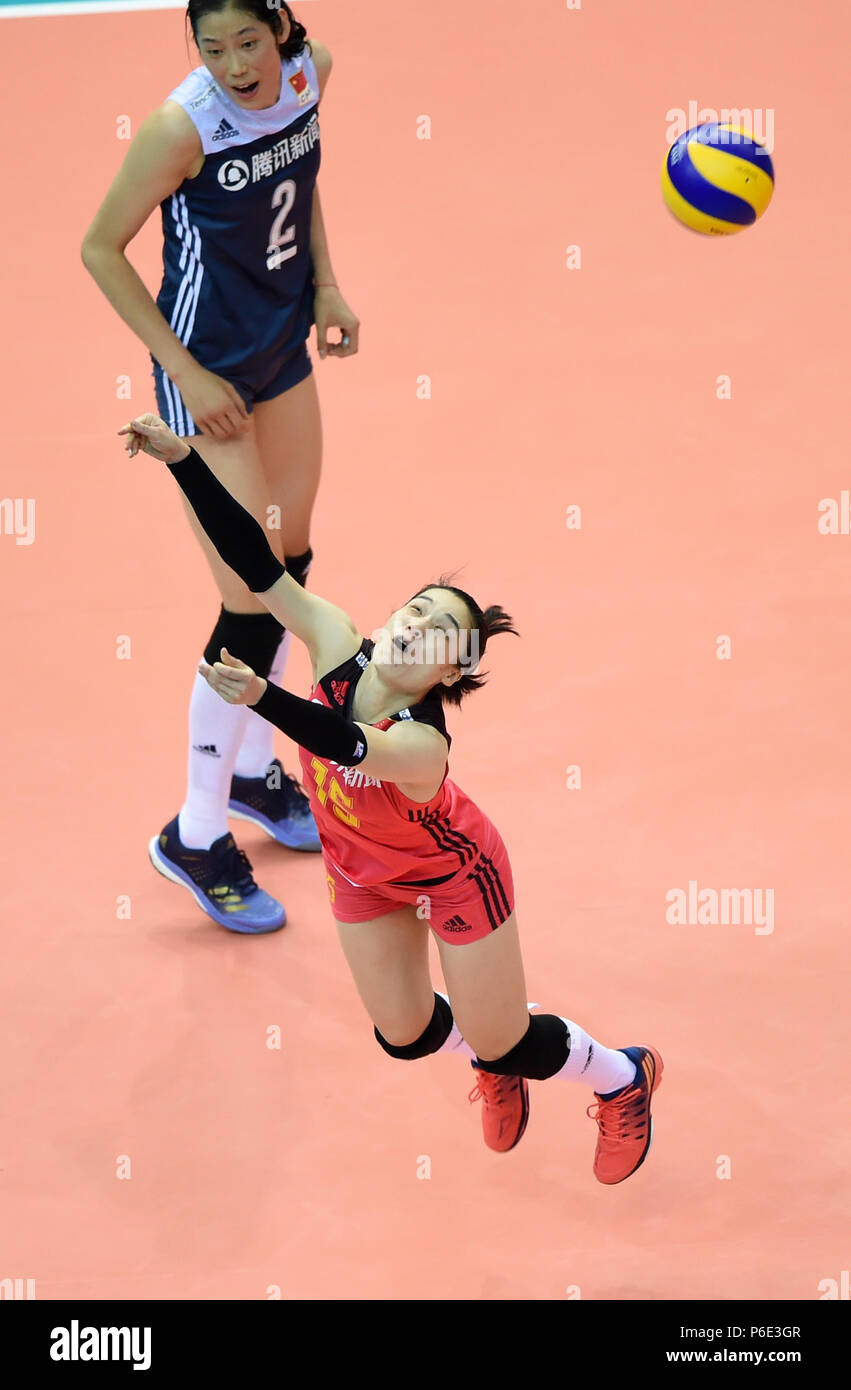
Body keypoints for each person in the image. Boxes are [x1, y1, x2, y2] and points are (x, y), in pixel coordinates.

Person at [119, 412, 665, 1184]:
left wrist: (259, 699)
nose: (421, 625)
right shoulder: (337, 639)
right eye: (418, 609)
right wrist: (181, 460)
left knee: (506, 1035)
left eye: (443, 631)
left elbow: (345, 743)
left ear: (450, 672)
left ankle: (619, 1076)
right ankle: (486, 1057)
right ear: (389, 620)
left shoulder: (421, 745)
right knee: (403, 1035)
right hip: (361, 873)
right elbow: (257, 567)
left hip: (453, 872)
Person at [82, 1, 359, 933]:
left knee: (295, 568)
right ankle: (196, 833)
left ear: (281, 28)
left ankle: (247, 773)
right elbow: (99, 247)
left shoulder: (310, 69)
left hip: (282, 352)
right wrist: (186, 373)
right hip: (207, 374)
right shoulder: (180, 126)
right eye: (212, 47)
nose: (236, 65)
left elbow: (305, 175)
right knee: (251, 601)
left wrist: (324, 279)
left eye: (249, 42)